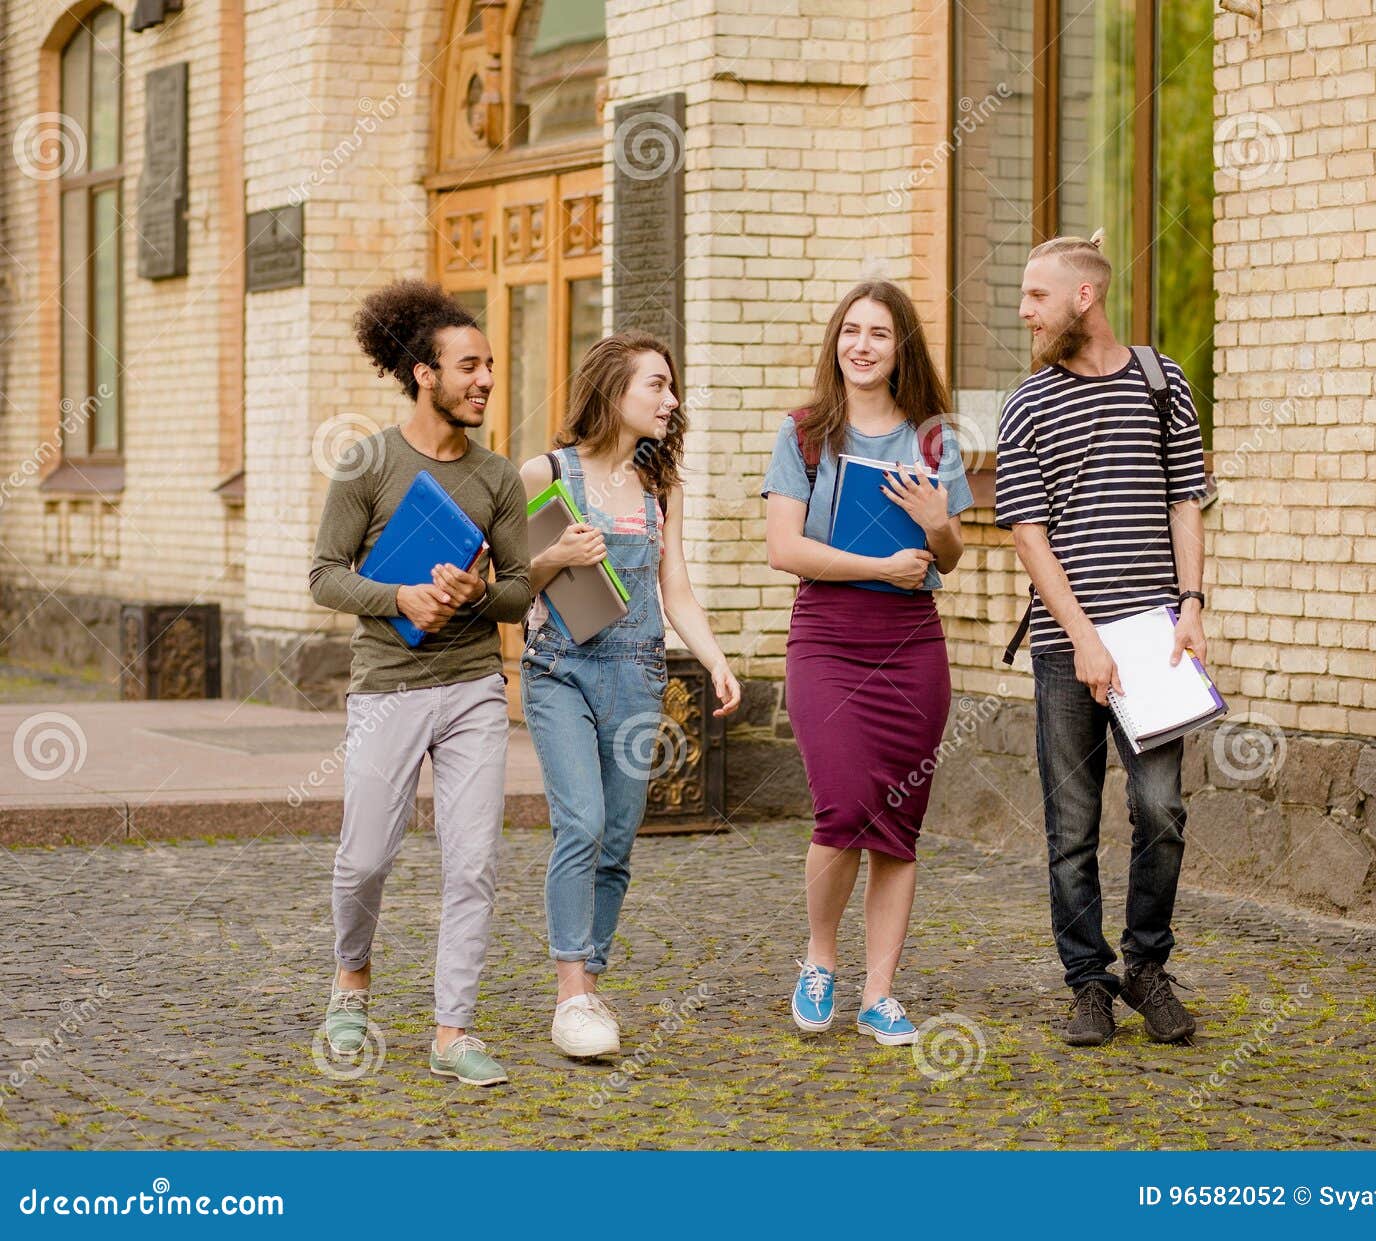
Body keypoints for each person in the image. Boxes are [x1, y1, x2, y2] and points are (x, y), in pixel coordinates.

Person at [311, 279, 531, 1086]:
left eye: (490, 367)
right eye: (468, 365)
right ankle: (351, 981)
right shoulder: (367, 462)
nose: (483, 380)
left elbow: (523, 588)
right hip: (388, 686)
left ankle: (452, 1027)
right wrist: (399, 596)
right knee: (365, 857)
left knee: (472, 861)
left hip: (473, 685)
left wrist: (481, 595)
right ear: (422, 373)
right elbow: (324, 576)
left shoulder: (498, 476)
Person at [995, 232, 1209, 1047]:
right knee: (1071, 826)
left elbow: (1187, 495)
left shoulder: (1163, 380)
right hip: (1066, 648)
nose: (1025, 312)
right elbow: (1027, 529)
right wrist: (1082, 636)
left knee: (1162, 810)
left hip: (1156, 640)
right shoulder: (1028, 402)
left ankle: (1147, 966)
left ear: (1084, 297)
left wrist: (1192, 604)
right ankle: (1088, 980)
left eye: (1036, 297)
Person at [763, 281, 973, 1046]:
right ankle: (820, 959)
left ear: (900, 347)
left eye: (879, 333)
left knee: (897, 823)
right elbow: (783, 547)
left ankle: (880, 992)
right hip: (828, 637)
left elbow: (949, 552)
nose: (862, 344)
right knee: (843, 807)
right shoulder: (806, 432)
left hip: (912, 641)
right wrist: (877, 566)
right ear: (836, 342)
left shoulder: (931, 440)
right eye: (851, 330)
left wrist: (934, 524)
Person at [520, 330, 740, 1059]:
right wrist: (557, 556)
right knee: (579, 822)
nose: (672, 400)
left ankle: (592, 975)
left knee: (615, 841)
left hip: (638, 670)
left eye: (672, 387)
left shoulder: (659, 486)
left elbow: (673, 586)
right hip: (560, 668)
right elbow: (511, 581)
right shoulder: (544, 472)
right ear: (614, 390)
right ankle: (571, 992)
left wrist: (713, 658)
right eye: (657, 385)